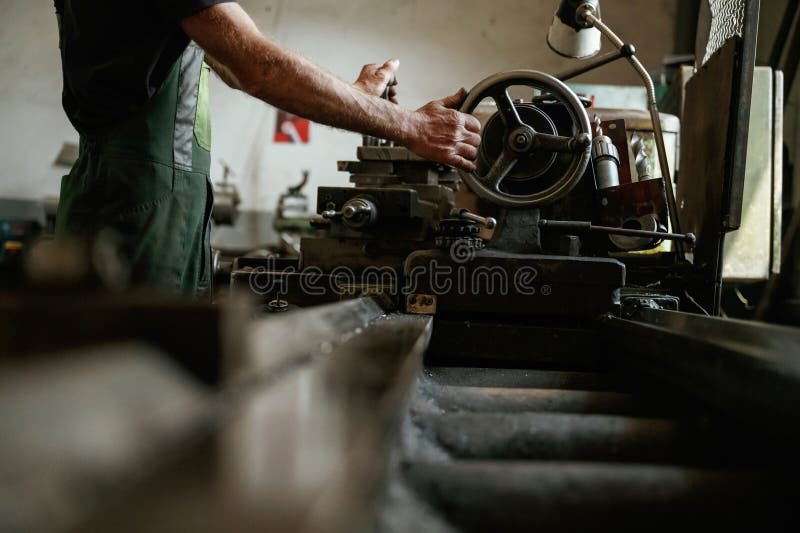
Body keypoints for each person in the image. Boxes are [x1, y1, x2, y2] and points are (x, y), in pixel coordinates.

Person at [53, 0, 482, 297]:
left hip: (151, 200)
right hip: (135, 204)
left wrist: (360, 99)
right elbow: (257, 67)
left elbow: (232, 63)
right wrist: (410, 126)